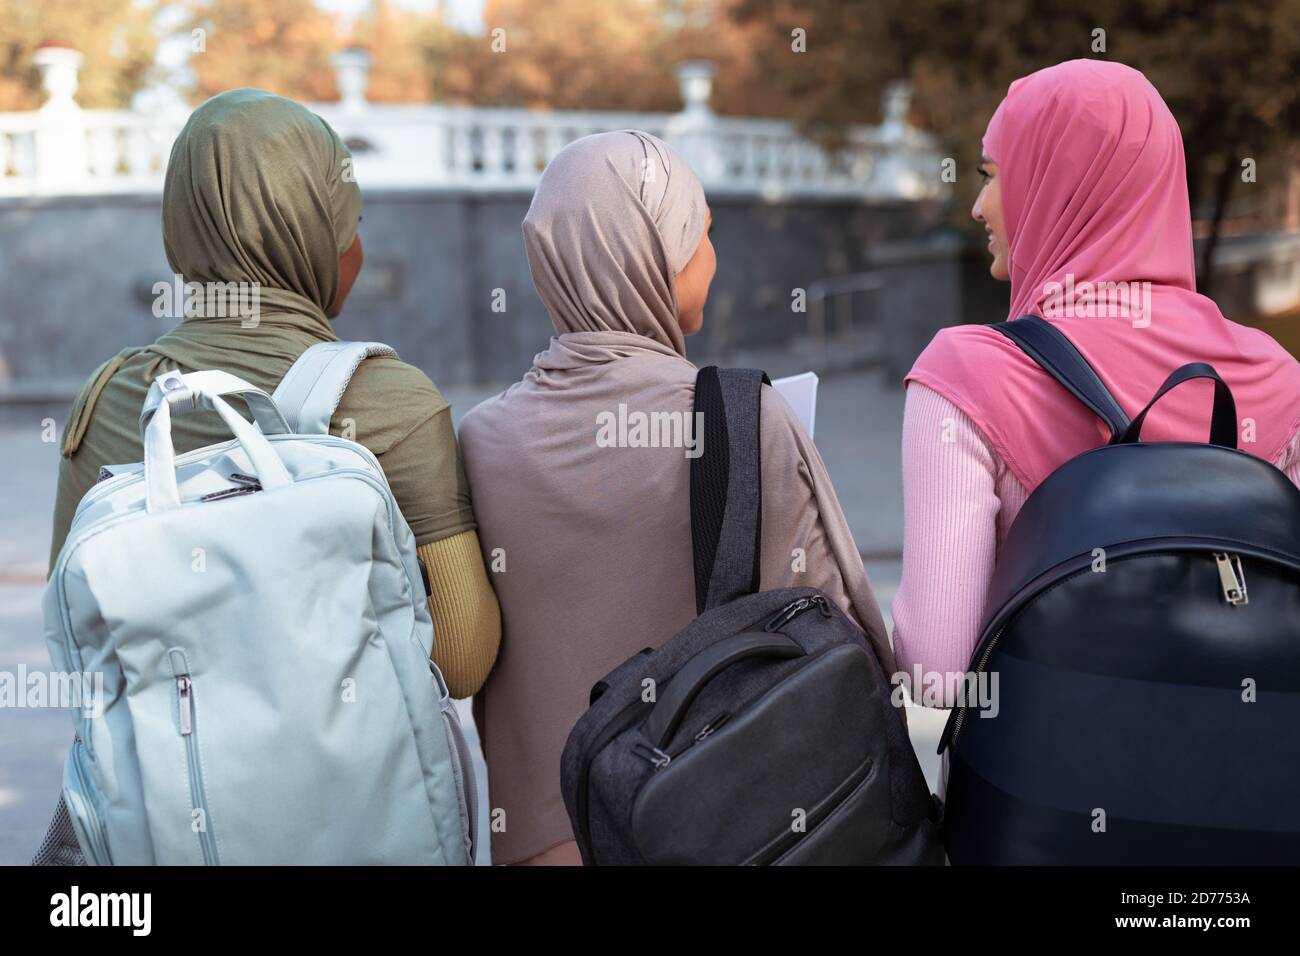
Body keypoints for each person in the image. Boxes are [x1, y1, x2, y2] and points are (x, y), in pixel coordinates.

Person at [458, 130, 892, 866]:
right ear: (654, 252)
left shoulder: (480, 440)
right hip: (716, 832)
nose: (712, 257)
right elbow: (833, 627)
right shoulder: (742, 417)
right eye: (701, 233)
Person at [893, 60, 1300, 708]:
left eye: (991, 175)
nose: (977, 207)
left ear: (1052, 182)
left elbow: (938, 671)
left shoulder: (966, 372)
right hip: (1249, 764)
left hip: (1048, 764)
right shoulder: (1277, 377)